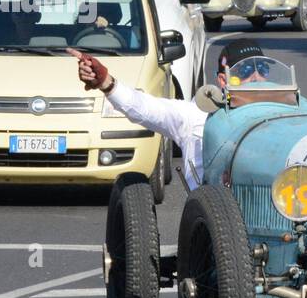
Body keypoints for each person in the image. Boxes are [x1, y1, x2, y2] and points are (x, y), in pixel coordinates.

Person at [67, 37, 266, 190]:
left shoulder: (283, 115)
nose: (257, 77)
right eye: (246, 69)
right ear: (223, 81)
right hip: (213, 216)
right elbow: (144, 108)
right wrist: (105, 82)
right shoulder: (195, 115)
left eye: (262, 69)